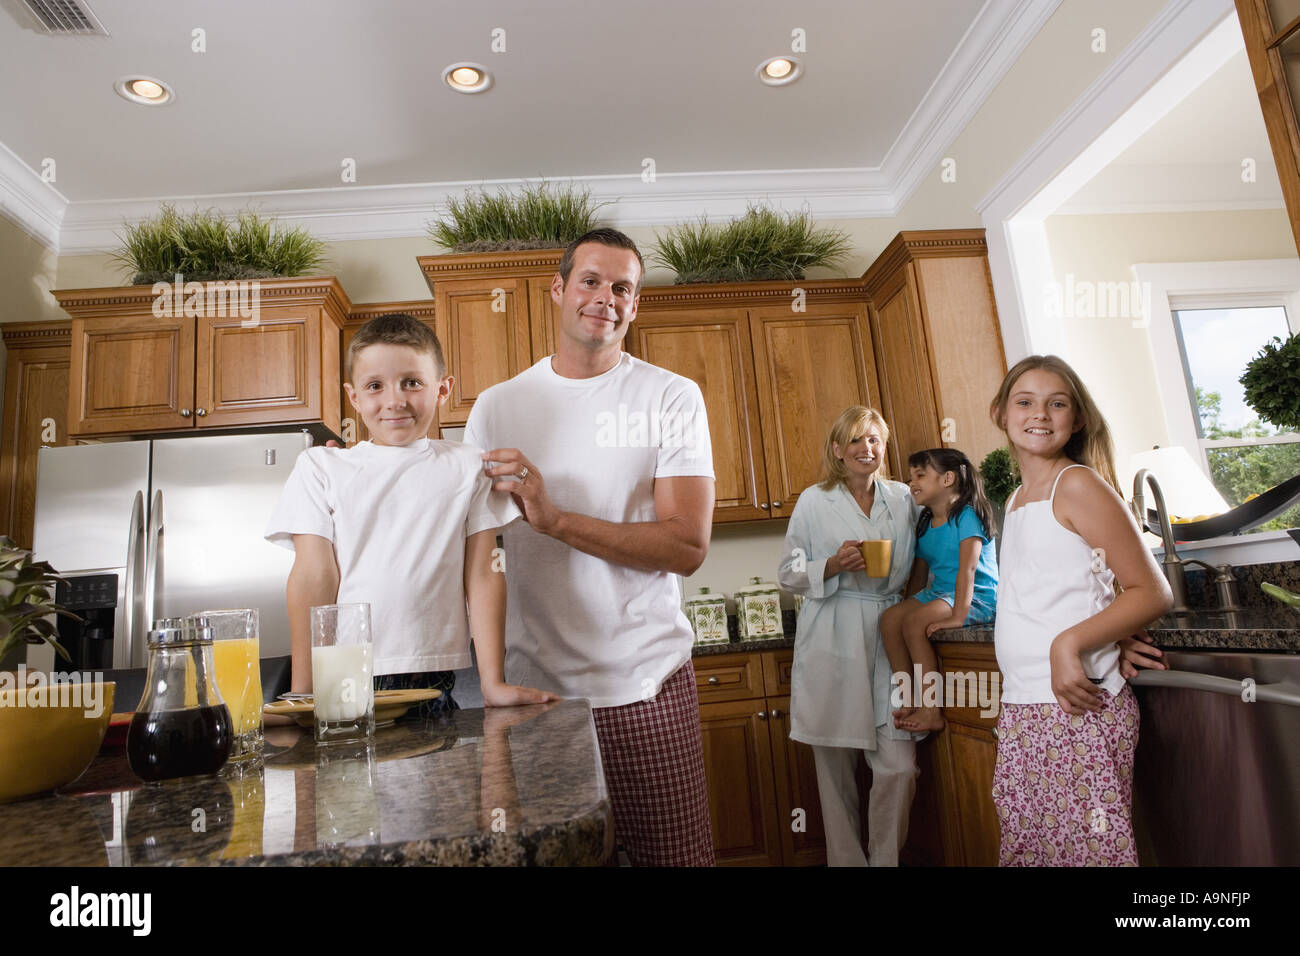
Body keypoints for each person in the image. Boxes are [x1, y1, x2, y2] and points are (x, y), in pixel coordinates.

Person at [463, 228, 717, 866]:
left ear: (634, 306)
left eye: (622, 288)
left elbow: (687, 544)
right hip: (536, 699)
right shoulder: (497, 407)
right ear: (559, 288)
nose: (605, 297)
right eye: (591, 281)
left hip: (646, 683)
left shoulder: (671, 397)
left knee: (677, 861)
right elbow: (467, 543)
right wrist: (369, 479)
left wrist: (555, 519)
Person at [265, 313, 556, 714]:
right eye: (375, 386)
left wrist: (492, 681)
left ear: (442, 389)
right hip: (343, 676)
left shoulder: (467, 465)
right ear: (354, 397)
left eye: (412, 382)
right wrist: (303, 694)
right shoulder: (321, 467)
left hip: (430, 680)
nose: (394, 400)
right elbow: (314, 576)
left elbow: (485, 570)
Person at [988, 354, 1172, 866]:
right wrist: (1108, 630)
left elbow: (1151, 591)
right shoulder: (1019, 498)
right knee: (1035, 855)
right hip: (1026, 708)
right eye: (1025, 402)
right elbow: (1070, 584)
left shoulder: (1077, 484)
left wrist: (1070, 643)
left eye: (1057, 403)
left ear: (1078, 419)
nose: (1039, 414)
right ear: (1000, 412)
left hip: (1078, 708)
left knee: (1090, 856)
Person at [777, 406, 923, 867]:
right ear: (838, 450)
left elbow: (929, 552)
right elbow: (787, 573)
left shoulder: (904, 498)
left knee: (899, 768)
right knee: (835, 775)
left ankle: (884, 861)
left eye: (875, 440)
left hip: (890, 632)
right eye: (857, 441)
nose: (867, 449)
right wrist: (833, 564)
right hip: (832, 634)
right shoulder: (814, 500)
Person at [885, 447, 999, 733]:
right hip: (942, 593)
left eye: (920, 475)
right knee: (889, 620)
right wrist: (907, 604)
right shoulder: (925, 523)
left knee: (914, 623)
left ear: (948, 479)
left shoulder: (967, 515)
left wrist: (958, 616)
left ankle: (930, 708)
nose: (912, 483)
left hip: (976, 595)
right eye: (911, 477)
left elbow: (968, 570)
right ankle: (909, 695)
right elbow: (919, 577)